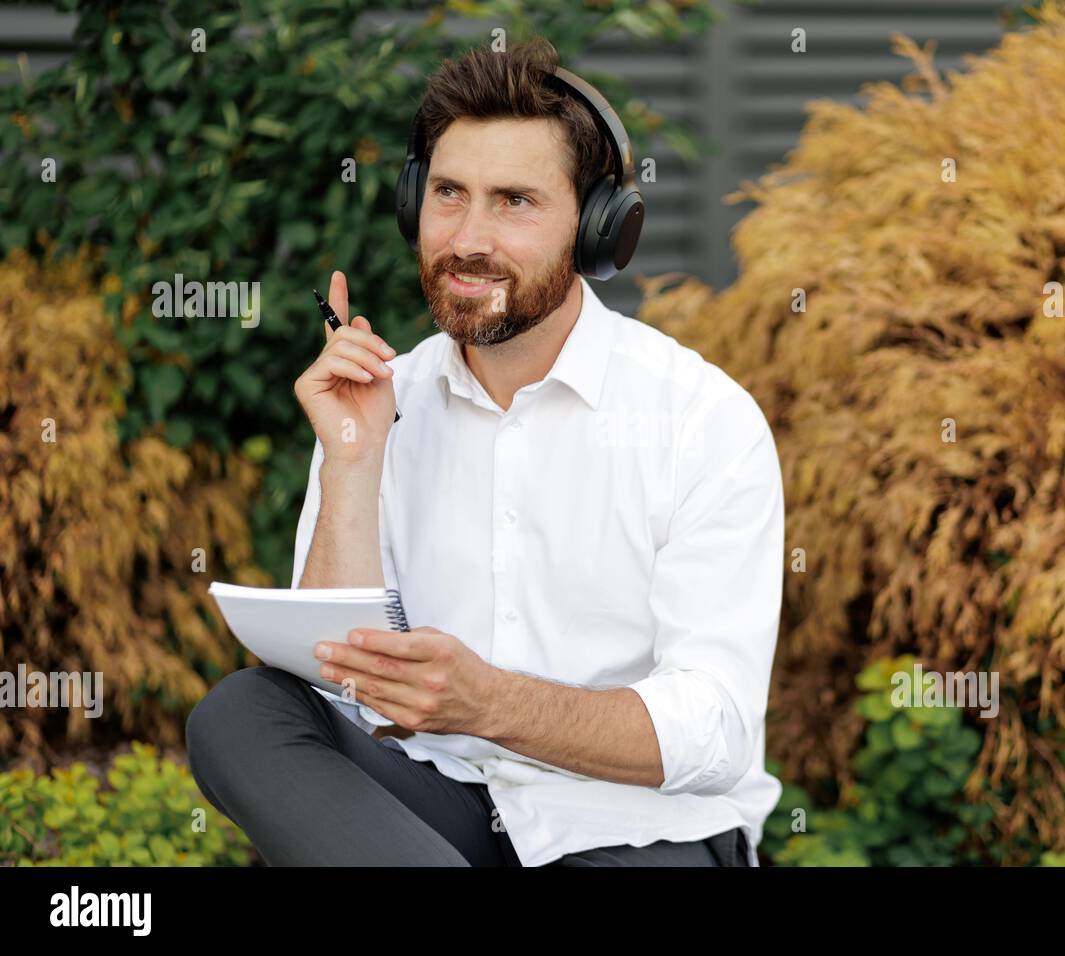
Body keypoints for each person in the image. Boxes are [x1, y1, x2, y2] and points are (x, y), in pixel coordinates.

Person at [186, 36, 784, 868]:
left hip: (636, 826)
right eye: (449, 194)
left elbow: (713, 732)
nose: (469, 238)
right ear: (411, 202)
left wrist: (488, 703)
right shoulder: (378, 401)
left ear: (600, 227)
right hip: (439, 806)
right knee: (241, 713)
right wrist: (353, 463)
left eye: (515, 202)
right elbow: (339, 686)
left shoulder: (703, 420)